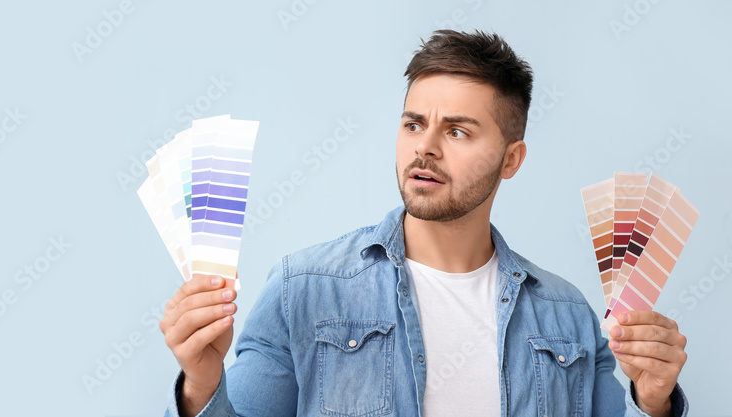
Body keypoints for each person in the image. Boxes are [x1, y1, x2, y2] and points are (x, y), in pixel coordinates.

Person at [158, 29, 689, 417]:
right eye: (414, 123)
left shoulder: (567, 316)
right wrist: (201, 385)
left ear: (511, 159)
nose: (425, 147)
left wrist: (653, 402)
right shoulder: (305, 290)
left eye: (457, 131)